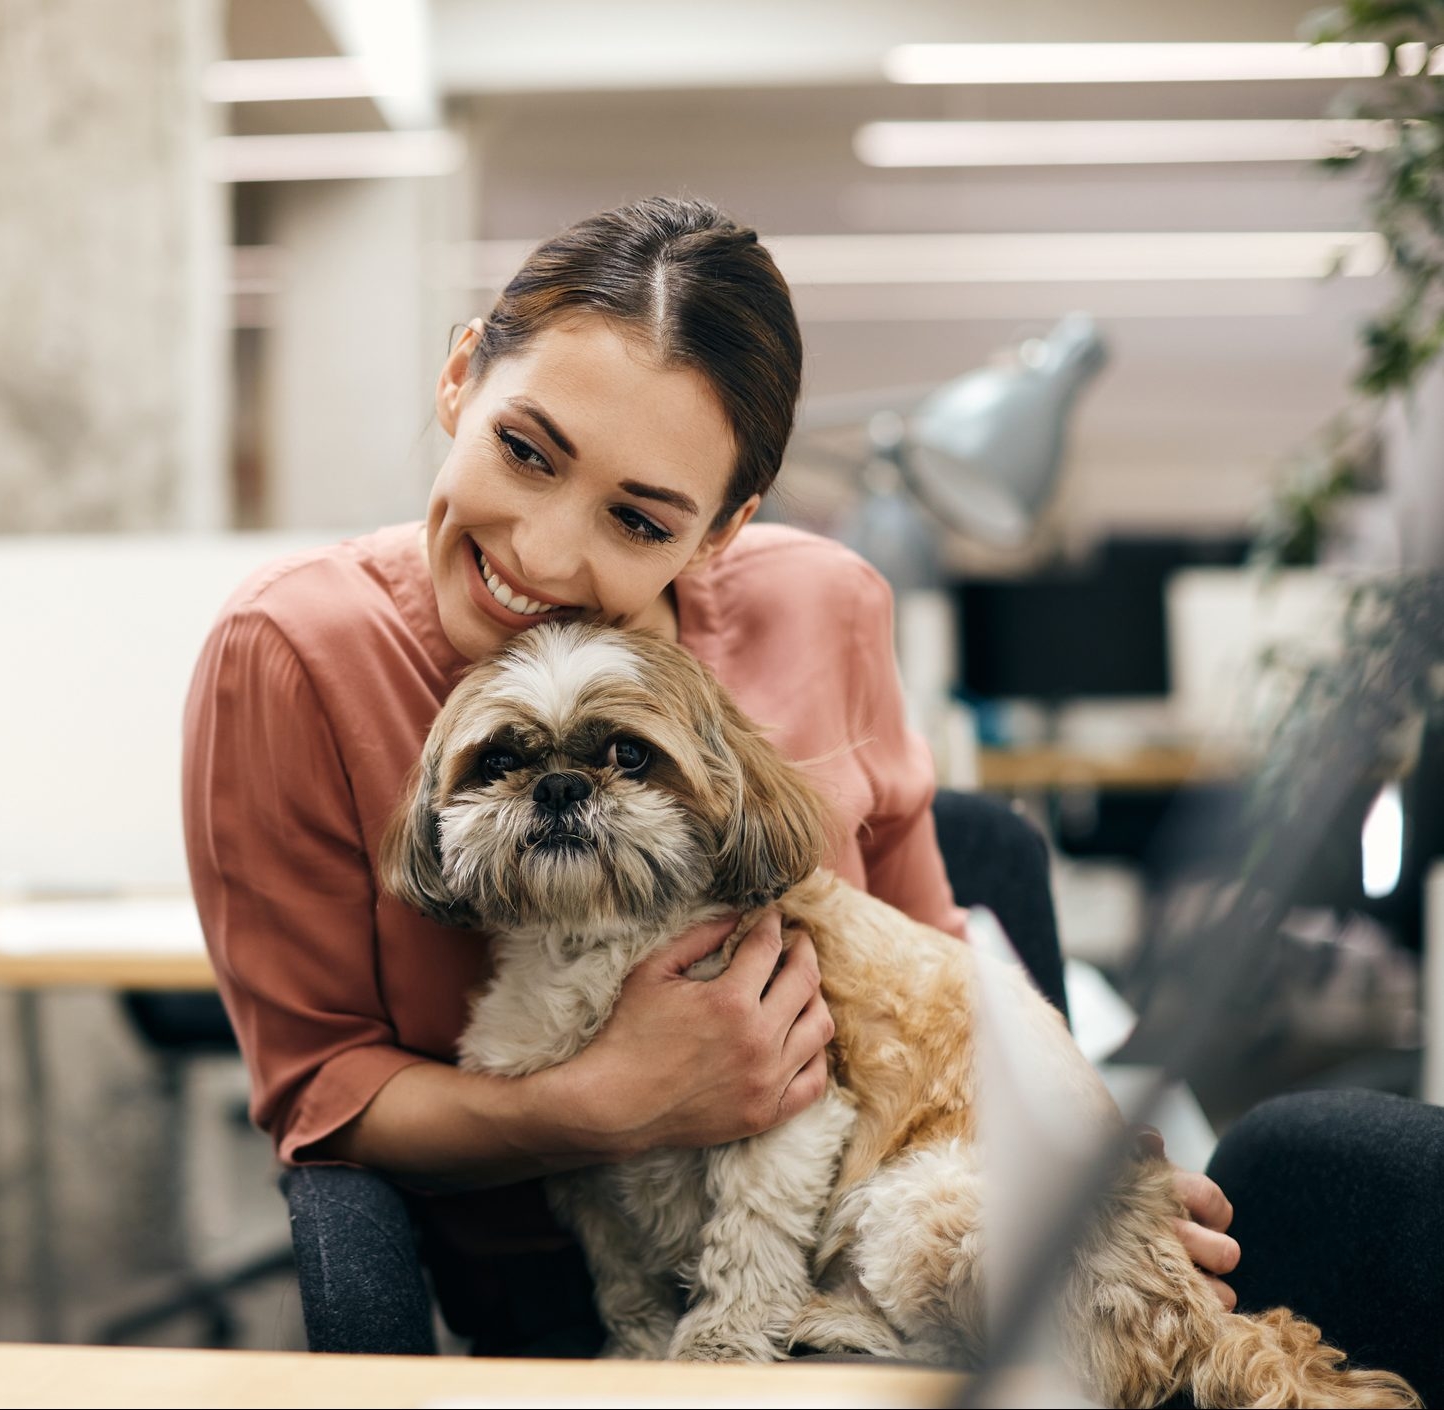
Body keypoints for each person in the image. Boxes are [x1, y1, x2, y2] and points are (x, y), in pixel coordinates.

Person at [182, 196, 1240, 1357]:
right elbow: (320, 1093)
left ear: (724, 528)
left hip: (886, 1257)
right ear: (458, 379)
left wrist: (1078, 1164)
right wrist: (594, 1106)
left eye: (639, 521)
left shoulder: (827, 606)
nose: (543, 553)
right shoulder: (293, 653)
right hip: (569, 1308)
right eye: (525, 452)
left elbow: (932, 970)